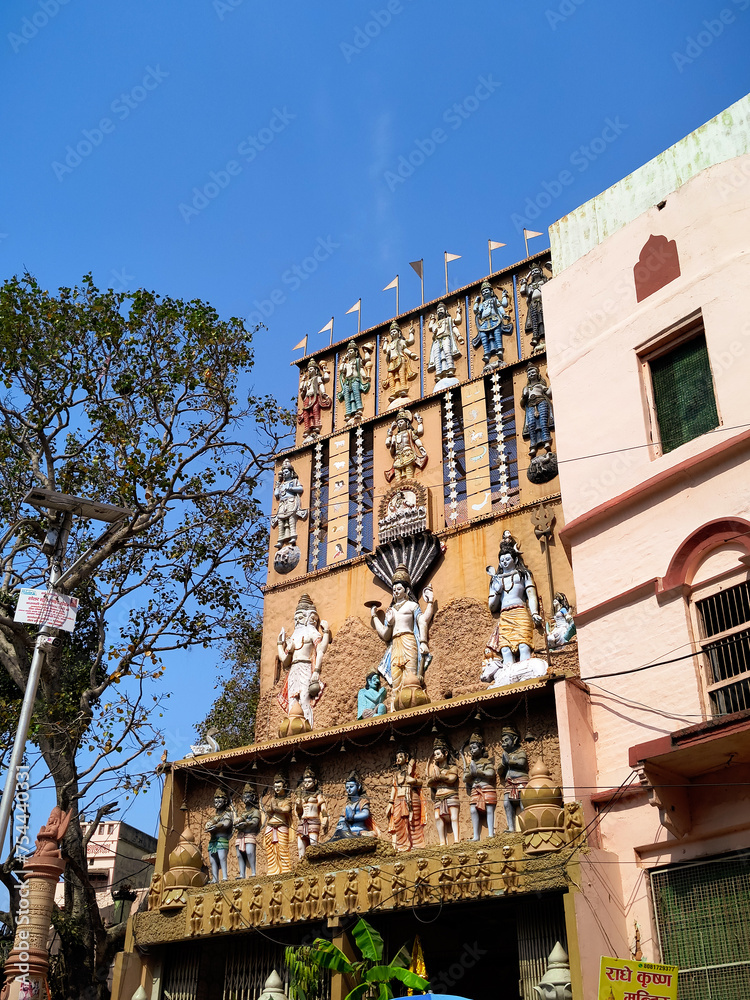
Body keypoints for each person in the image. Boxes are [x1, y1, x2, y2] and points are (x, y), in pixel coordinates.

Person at [371, 564, 435, 710]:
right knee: (396, 678)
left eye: (398, 589)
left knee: (411, 676)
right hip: (396, 644)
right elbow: (386, 634)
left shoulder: (412, 606)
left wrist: (423, 642)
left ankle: (412, 704)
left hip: (409, 641)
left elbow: (423, 621)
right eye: (394, 590)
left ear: (406, 590)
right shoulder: (391, 610)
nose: (396, 592)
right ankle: (395, 708)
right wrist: (375, 617)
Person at [484, 533, 542, 667]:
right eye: (502, 559)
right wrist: (497, 591)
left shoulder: (523, 574)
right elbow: (492, 606)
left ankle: (525, 671)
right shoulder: (496, 579)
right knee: (505, 649)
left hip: (520, 613)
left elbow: (531, 594)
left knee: (523, 646)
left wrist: (534, 613)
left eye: (507, 558)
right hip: (505, 615)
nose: (504, 562)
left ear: (515, 560)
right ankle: (508, 675)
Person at [277, 593, 331, 728]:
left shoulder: (312, 632)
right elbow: (285, 661)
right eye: (298, 617)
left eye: (303, 617)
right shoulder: (293, 636)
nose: (300, 620)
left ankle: (307, 728)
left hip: (306, 667)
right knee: (292, 700)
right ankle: (292, 729)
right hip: (293, 670)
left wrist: (327, 632)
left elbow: (321, 649)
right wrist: (280, 644)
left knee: (305, 699)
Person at [386, 747, 426, 852]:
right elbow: (393, 789)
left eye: (401, 756)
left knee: (413, 822)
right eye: (397, 757)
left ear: (406, 757)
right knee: (399, 822)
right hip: (398, 800)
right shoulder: (396, 774)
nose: (398, 759)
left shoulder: (411, 770)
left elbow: (420, 782)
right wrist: (390, 802)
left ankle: (416, 844)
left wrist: (413, 780)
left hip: (411, 798)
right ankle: (402, 846)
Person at [462, 730, 497, 840]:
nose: (472, 751)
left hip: (486, 787)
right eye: (470, 749)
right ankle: (476, 836)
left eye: (474, 748)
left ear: (481, 748)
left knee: (489, 809)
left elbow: (491, 773)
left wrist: (479, 772)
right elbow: (464, 778)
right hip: (475, 789)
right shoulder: (470, 764)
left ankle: (491, 833)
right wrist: (471, 774)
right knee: (473, 810)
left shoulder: (486, 762)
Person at [426, 735, 460, 845]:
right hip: (439, 796)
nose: (435, 757)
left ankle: (456, 839)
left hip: (450, 794)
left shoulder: (452, 768)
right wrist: (435, 778)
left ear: (445, 753)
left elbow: (452, 779)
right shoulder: (435, 770)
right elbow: (429, 782)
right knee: (437, 817)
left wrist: (441, 777)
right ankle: (442, 841)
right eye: (434, 755)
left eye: (438, 754)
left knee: (454, 817)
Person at [472, 280, 513, 366]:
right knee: (483, 336)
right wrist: (476, 301)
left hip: (494, 320)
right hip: (484, 322)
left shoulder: (494, 300)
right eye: (483, 291)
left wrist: (504, 314)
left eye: (486, 290)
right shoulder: (482, 304)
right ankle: (486, 354)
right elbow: (475, 310)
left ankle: (499, 350)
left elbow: (502, 306)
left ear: (491, 292)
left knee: (497, 334)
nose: (485, 292)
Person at [497, 726, 529, 832]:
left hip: (520, 781)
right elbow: (500, 771)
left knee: (523, 803)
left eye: (506, 740)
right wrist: (503, 764)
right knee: (506, 803)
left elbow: (522, 763)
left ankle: (526, 826)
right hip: (509, 783)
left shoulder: (520, 752)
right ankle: (511, 827)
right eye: (502, 741)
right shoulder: (505, 756)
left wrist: (509, 761)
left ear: (514, 740)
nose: (504, 743)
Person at [271, 458, 307, 550]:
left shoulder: (294, 481)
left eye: (286, 472)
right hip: (283, 503)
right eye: (284, 473)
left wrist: (292, 489)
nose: (285, 474)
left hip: (291, 501)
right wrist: (277, 485)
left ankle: (293, 536)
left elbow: (300, 489)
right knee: (280, 519)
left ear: (291, 473)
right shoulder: (282, 484)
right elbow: (276, 495)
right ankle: (280, 540)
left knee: (291, 518)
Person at [331, 770, 379, 839]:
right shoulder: (347, 806)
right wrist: (340, 825)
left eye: (351, 787)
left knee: (372, 834)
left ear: (358, 786)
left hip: (361, 830)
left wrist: (353, 817)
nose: (349, 790)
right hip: (349, 832)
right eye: (347, 788)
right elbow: (341, 820)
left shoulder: (362, 801)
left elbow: (365, 814)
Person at [520, 363, 554, 459]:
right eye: (529, 373)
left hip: (541, 402)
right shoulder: (526, 388)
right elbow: (522, 403)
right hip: (530, 405)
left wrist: (552, 381)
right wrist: (524, 396)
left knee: (543, 422)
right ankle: (533, 446)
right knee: (531, 425)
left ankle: (546, 441)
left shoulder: (540, 385)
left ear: (537, 373)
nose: (531, 374)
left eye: (533, 372)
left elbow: (548, 393)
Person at [384, 409, 428, 483]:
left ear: (407, 422)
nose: (399, 424)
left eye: (401, 422)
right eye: (398, 423)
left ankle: (409, 488)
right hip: (398, 457)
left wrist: (421, 448)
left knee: (409, 475)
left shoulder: (410, 432)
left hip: (408, 454)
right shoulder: (395, 436)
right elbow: (388, 444)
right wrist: (390, 433)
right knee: (398, 478)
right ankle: (399, 490)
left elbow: (419, 433)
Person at [295, 766, 328, 858]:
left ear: (315, 782)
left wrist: (325, 818)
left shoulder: (317, 795)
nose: (307, 784)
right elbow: (298, 812)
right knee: (300, 846)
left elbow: (323, 808)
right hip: (303, 821)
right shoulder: (301, 796)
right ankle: (301, 863)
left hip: (313, 821)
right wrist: (298, 805)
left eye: (309, 782)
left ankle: (314, 862)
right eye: (305, 782)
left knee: (313, 842)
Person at [263, 773, 293, 876]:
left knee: (283, 848)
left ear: (284, 786)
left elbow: (287, 809)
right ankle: (273, 870)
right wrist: (271, 808)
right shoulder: (273, 800)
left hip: (281, 826)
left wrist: (277, 808)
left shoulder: (287, 800)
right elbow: (268, 812)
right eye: (275, 787)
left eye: (279, 787)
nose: (277, 789)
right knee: (271, 849)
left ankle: (285, 868)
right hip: (270, 827)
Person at [381, 320, 419, 402]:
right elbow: (384, 350)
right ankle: (393, 393)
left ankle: (403, 389)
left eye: (394, 331)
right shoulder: (390, 345)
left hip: (400, 359)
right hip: (392, 361)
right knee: (391, 376)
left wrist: (411, 333)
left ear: (399, 333)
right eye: (391, 332)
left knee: (402, 374)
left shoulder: (401, 341)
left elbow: (407, 346)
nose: (392, 333)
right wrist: (385, 342)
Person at [427, 301, 463, 384]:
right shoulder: (436, 323)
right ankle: (438, 373)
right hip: (436, 341)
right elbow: (430, 327)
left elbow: (456, 323)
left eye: (441, 309)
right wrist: (432, 320)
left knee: (447, 352)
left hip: (445, 338)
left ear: (445, 311)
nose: (439, 311)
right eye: (438, 310)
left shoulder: (448, 320)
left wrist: (459, 336)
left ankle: (450, 368)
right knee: (437, 357)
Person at [338, 340, 372, 422]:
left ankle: (359, 409)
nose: (349, 352)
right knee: (347, 397)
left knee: (356, 394)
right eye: (348, 351)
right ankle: (348, 413)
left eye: (351, 351)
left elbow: (360, 369)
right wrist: (343, 361)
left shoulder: (357, 361)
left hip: (355, 379)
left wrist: (365, 377)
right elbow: (341, 370)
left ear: (356, 352)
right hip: (347, 381)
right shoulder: (346, 364)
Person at [297, 358, 331, 438]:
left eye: (311, 369)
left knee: (315, 410)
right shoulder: (307, 382)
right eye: (308, 369)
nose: (309, 371)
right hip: (307, 398)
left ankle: (317, 426)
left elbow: (324, 381)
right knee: (306, 413)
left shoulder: (317, 378)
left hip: (315, 396)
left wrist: (323, 393)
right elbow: (302, 391)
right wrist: (303, 381)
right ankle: (307, 429)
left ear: (316, 370)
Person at [205, 787, 233, 882]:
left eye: (219, 802)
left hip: (222, 838)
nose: (217, 804)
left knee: (222, 858)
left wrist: (217, 825)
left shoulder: (227, 814)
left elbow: (226, 824)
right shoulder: (215, 817)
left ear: (225, 801)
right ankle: (215, 878)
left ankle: (224, 876)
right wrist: (209, 825)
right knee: (213, 860)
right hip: (213, 840)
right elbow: (208, 824)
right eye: (215, 802)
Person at [235, 784, 262, 878]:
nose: (246, 798)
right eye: (244, 795)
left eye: (248, 795)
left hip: (250, 834)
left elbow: (255, 822)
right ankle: (242, 874)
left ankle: (253, 872)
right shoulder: (243, 813)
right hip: (241, 835)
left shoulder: (255, 811)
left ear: (253, 797)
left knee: (250, 852)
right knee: (239, 855)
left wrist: (246, 824)